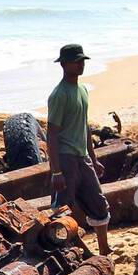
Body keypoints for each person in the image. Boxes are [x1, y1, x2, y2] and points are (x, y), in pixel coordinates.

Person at [47, 43, 112, 254]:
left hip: (82, 156)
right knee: (64, 209)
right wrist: (56, 171)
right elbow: (52, 134)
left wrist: (93, 158)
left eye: (82, 61)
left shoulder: (82, 90)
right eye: (76, 61)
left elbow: (84, 126)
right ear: (64, 65)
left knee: (98, 203)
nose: (80, 65)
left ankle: (104, 248)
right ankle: (69, 253)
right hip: (66, 158)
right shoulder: (59, 95)